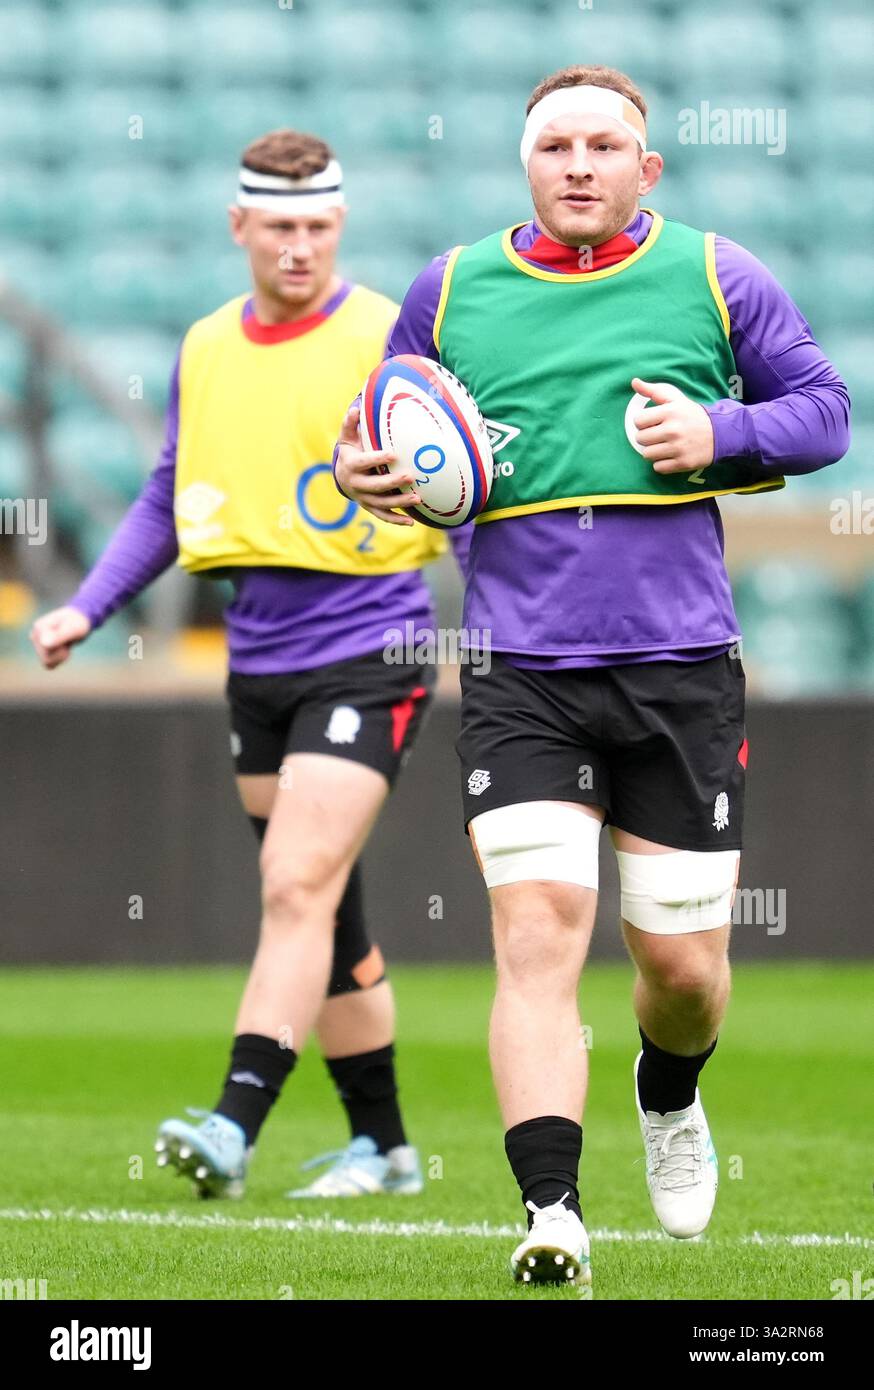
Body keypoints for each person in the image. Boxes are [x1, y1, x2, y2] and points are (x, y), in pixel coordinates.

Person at [334, 66, 849, 1284]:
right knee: (538, 927)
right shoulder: (450, 288)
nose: (578, 163)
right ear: (526, 165)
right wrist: (366, 473)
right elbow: (378, 435)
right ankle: (551, 1209)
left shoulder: (717, 275)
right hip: (521, 674)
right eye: (555, 144)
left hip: (679, 673)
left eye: (603, 145)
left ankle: (666, 1091)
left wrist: (719, 434)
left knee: (680, 969)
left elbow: (825, 413)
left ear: (644, 168)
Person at [31, 127, 468, 1201]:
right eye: (279, 225)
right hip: (256, 653)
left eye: (318, 225)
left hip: (370, 645)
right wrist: (88, 605)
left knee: (293, 884)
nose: (299, 245)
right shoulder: (207, 345)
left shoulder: (389, 337)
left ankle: (233, 1123)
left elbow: (463, 484)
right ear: (239, 225)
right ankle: (385, 1147)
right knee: (326, 909)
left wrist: (517, 617)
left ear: (340, 225)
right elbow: (170, 489)